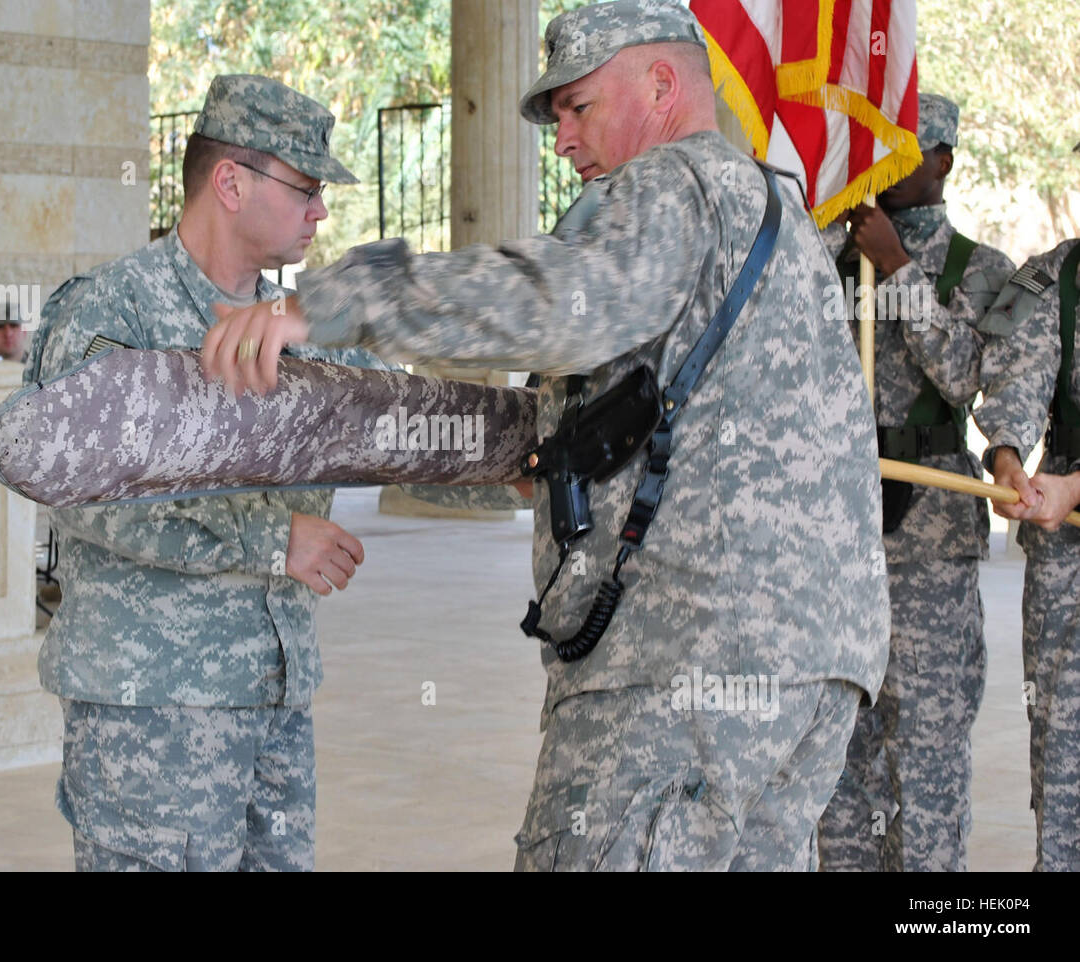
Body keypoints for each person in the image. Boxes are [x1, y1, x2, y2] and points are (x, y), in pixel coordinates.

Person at [203, 0, 890, 871]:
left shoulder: (667, 184)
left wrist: (335, 302)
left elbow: (557, 296)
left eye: (577, 106)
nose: (562, 138)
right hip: (815, 667)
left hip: (679, 664)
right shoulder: (781, 211)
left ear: (662, 83)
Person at [23, 74, 380, 871]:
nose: (320, 209)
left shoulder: (296, 328)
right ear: (230, 182)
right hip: (153, 706)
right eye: (306, 187)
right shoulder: (114, 314)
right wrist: (273, 537)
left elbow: (397, 412)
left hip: (274, 695)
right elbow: (84, 491)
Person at [815, 94, 1016, 871]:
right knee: (838, 750)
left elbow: (970, 379)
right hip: (836, 528)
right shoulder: (825, 260)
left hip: (929, 535)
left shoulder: (981, 270)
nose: (890, 166)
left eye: (908, 152)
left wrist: (897, 269)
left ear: (944, 161)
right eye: (879, 149)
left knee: (927, 751)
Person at [975, 146, 1080, 869]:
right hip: (1064, 544)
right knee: (1062, 743)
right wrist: (1012, 463)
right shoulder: (1056, 279)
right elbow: (1014, 386)